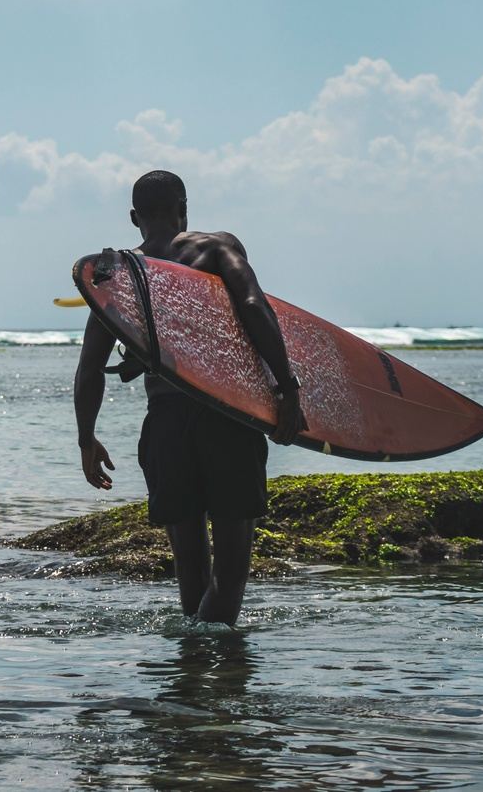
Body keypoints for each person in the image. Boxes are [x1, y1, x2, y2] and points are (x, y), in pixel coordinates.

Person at [73, 170, 305, 626]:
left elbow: (89, 367)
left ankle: (191, 678)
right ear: (184, 208)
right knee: (233, 569)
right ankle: (216, 672)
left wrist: (87, 438)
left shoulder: (116, 274)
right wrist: (287, 388)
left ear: (134, 217)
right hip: (227, 420)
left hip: (165, 424)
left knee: (190, 571)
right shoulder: (216, 248)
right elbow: (255, 307)